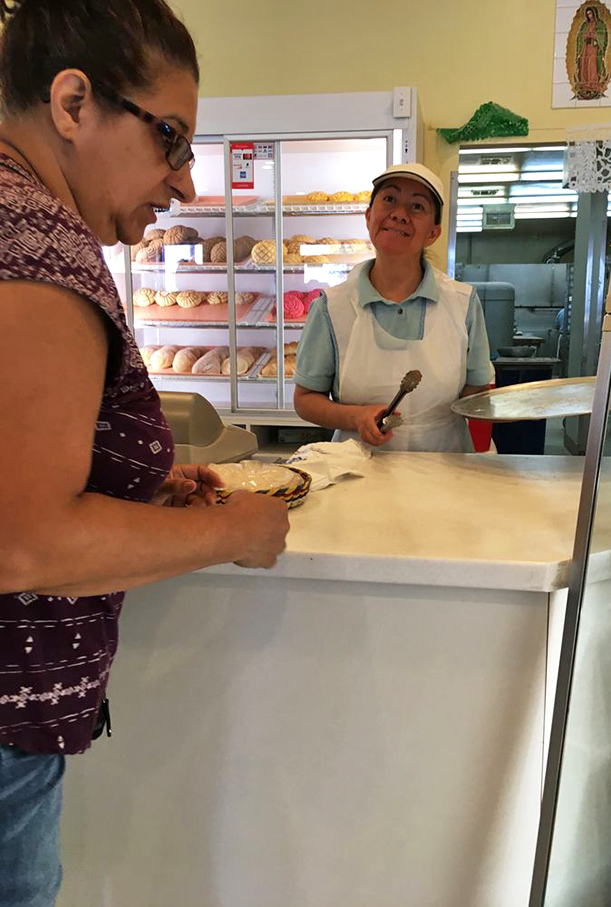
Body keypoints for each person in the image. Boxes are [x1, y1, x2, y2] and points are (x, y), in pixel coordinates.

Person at [0, 2, 289, 904]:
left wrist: (125, 485)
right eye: (171, 139)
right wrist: (235, 531)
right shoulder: (35, 247)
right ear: (73, 102)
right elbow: (28, 545)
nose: (186, 182)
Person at [293, 163, 493, 451]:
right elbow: (305, 399)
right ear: (368, 215)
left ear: (433, 233)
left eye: (417, 206)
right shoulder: (332, 307)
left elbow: (477, 396)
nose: (399, 214)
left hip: (444, 469)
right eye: (389, 199)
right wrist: (355, 416)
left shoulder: (462, 303)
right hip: (359, 470)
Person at [575, 5, 608, 100]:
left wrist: (594, 36)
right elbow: (580, 37)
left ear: (594, 13)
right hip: (585, 47)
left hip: (594, 48)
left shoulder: (600, 24)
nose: (589, 16)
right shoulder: (585, 25)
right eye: (587, 14)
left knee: (591, 66)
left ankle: (593, 86)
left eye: (590, 13)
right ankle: (585, 86)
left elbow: (603, 36)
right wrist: (585, 36)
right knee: (584, 65)